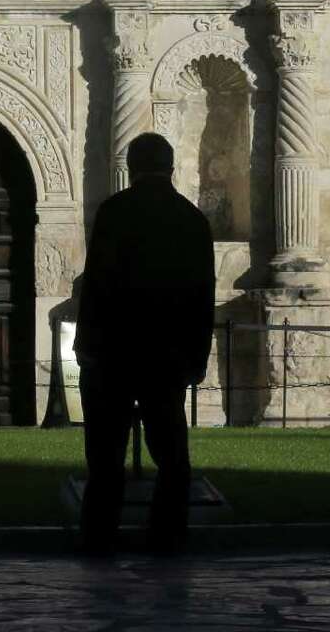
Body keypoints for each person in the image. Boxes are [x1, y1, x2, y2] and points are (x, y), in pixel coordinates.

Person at [74, 132, 215, 556]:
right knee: (172, 454)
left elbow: (97, 284)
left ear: (132, 167)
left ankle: (100, 535)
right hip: (166, 354)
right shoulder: (191, 219)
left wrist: (86, 346)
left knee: (106, 457)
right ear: (171, 167)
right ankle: (166, 533)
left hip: (114, 353)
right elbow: (201, 296)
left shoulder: (115, 213)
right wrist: (198, 356)